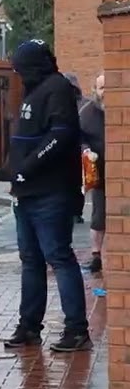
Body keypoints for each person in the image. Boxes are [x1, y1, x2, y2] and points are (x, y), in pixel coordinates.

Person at [3, 40, 90, 352]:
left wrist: (28, 167)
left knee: (59, 256)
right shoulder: (34, 88)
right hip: (26, 192)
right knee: (31, 260)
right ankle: (29, 326)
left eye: (21, 69)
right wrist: (14, 171)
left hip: (50, 192)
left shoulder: (57, 89)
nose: (19, 76)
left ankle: (77, 330)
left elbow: (60, 135)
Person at [81, 72, 106, 273]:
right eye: (101, 88)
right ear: (95, 91)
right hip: (100, 172)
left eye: (108, 87)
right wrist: (86, 150)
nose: (105, 92)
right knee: (98, 216)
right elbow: (79, 138)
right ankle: (96, 255)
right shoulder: (87, 113)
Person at [65, 72, 89, 223]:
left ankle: (75, 212)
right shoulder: (58, 104)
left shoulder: (85, 104)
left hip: (79, 147)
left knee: (77, 184)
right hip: (64, 148)